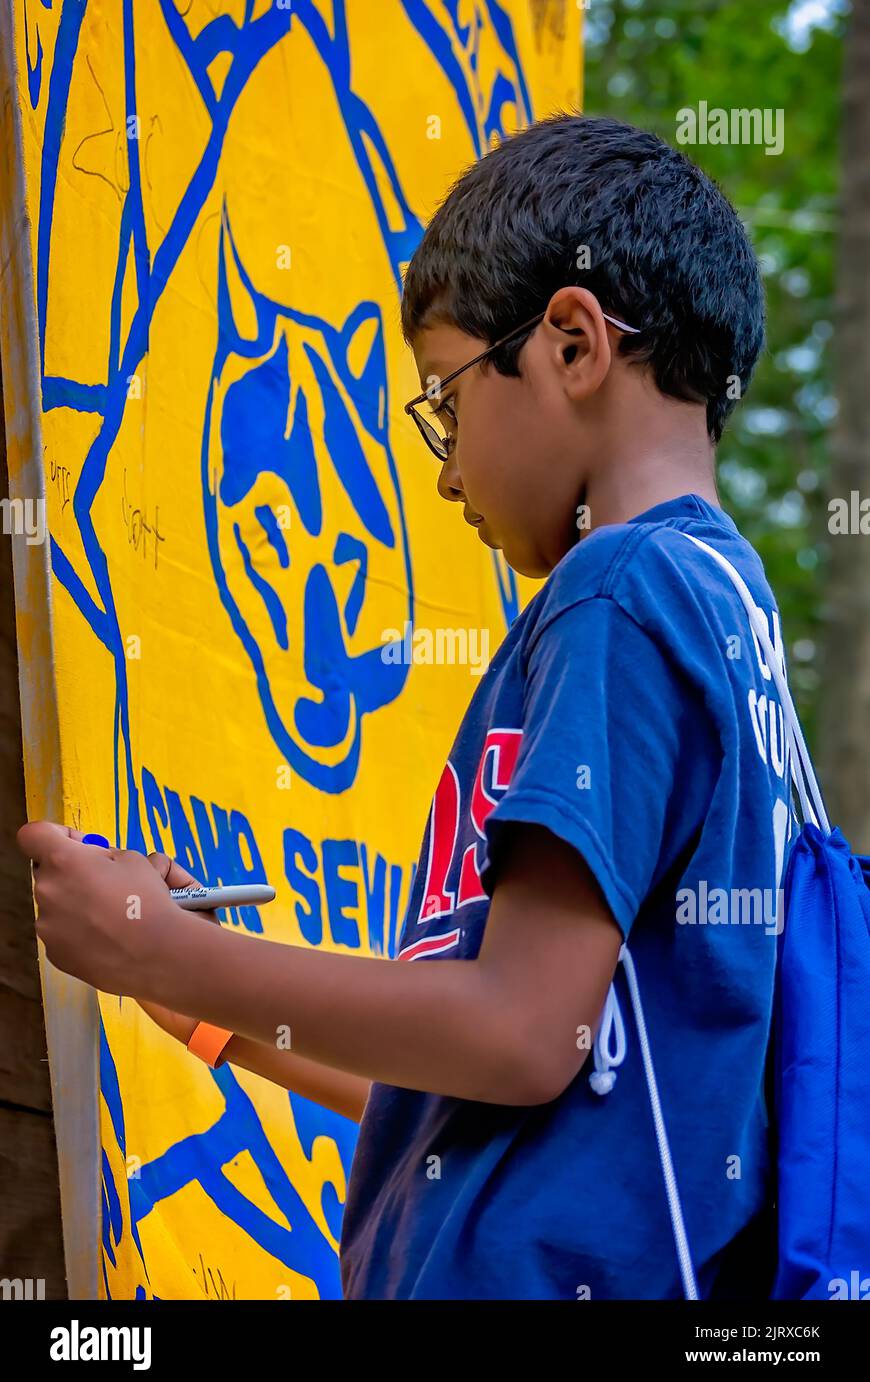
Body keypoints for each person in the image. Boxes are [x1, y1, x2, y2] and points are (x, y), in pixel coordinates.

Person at [18, 114, 787, 1299]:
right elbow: (489, 1092)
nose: (440, 468)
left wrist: (159, 940)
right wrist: (207, 996)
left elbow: (522, 1034)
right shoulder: (728, 608)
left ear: (572, 344)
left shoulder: (620, 591)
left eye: (447, 396)